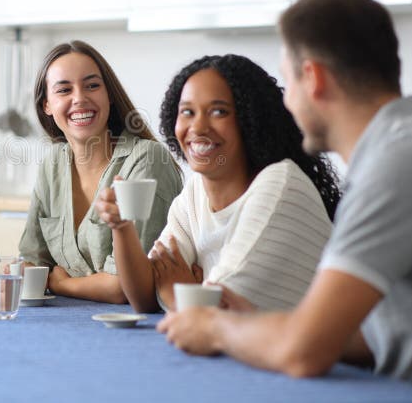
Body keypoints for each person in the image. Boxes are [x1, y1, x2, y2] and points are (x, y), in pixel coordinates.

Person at [157, 0, 412, 399]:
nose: (286, 100)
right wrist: (255, 322)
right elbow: (384, 334)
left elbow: (303, 353)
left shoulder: (398, 167)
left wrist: (214, 327)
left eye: (287, 81)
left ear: (314, 78)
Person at [97, 54, 340, 313]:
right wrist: (122, 227)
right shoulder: (196, 191)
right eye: (187, 112)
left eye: (218, 112)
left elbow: (214, 315)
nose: (198, 127)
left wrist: (175, 294)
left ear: (250, 120)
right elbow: (145, 298)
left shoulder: (278, 187)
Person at [18, 41, 183, 303]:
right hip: (67, 326)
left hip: (136, 328)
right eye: (64, 90)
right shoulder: (53, 164)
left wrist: (63, 285)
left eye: (92, 85)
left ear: (109, 94)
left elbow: (126, 286)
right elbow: (32, 262)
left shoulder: (147, 158)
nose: (80, 98)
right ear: (46, 105)